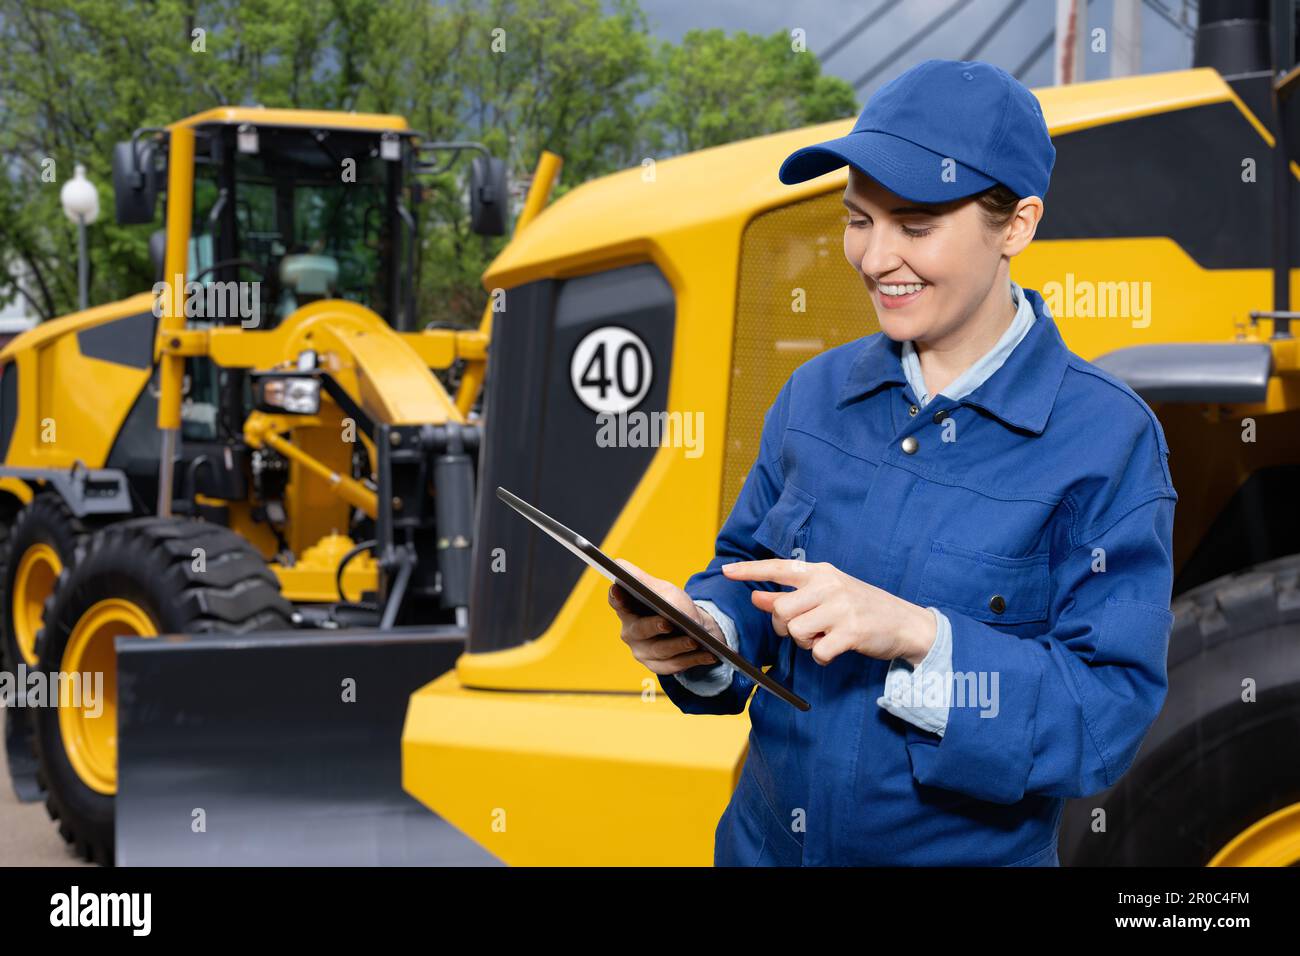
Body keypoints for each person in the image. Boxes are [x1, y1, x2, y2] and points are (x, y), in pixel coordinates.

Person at [609, 59, 1178, 866]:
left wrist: (918, 636)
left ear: (1016, 224)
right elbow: (743, 571)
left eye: (914, 226)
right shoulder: (814, 396)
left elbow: (1104, 716)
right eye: (857, 219)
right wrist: (704, 634)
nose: (874, 258)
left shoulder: (1107, 440)